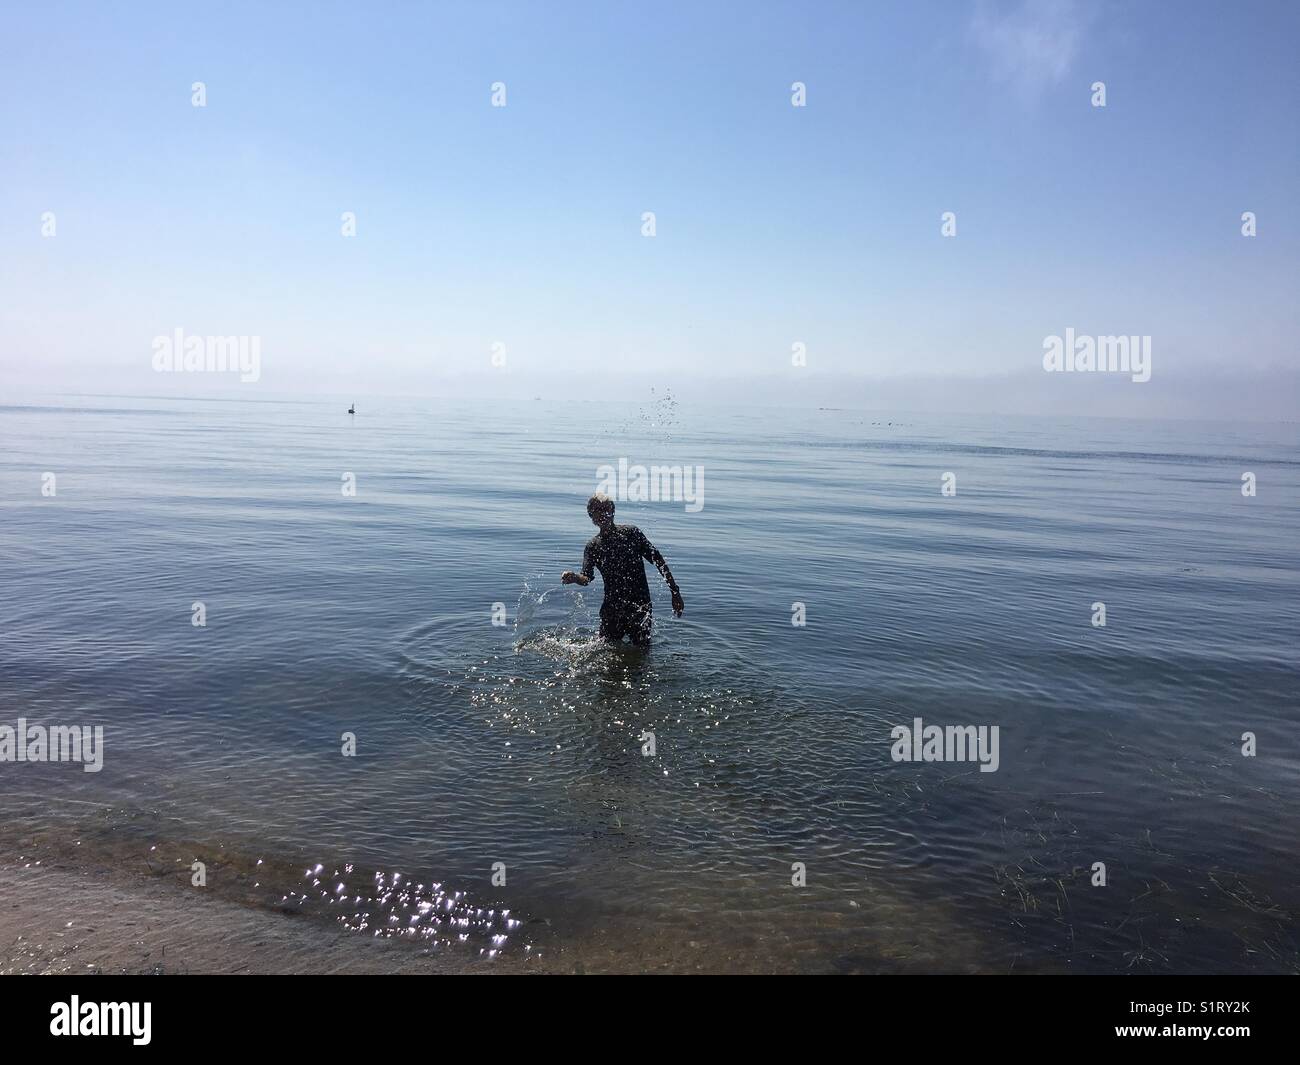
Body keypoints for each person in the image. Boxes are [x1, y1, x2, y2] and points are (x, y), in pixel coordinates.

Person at [561, 493, 684, 645]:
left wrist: (675, 592)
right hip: (612, 608)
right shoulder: (593, 546)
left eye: (605, 509)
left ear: (613, 511)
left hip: (639, 606)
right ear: (591, 516)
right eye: (597, 510)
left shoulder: (631, 533)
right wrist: (574, 578)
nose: (602, 513)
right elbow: (586, 578)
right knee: (605, 650)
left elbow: (658, 560)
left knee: (642, 652)